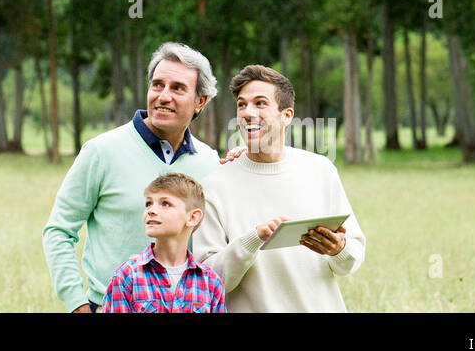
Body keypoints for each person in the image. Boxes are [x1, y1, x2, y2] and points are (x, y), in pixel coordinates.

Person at [42, 41, 223, 313]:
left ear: (200, 101)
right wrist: (77, 305)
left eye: (178, 88)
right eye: (158, 85)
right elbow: (59, 230)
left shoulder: (210, 163)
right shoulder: (101, 152)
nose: (163, 96)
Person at [193, 64, 366, 312]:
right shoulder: (213, 187)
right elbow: (208, 281)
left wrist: (339, 249)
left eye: (260, 103)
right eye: (242, 105)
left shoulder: (321, 170)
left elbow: (352, 258)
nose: (247, 113)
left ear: (286, 115)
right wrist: (253, 240)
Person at [100, 173, 226, 313]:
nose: (151, 211)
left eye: (165, 204)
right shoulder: (127, 277)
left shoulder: (210, 282)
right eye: (148, 204)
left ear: (192, 217)